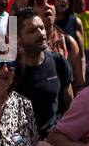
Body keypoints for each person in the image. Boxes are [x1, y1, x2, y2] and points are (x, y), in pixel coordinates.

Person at [12, 7, 73, 138]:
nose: (41, 34)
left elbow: (70, 107)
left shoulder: (58, 62)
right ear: (17, 38)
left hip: (53, 145)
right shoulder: (9, 69)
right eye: (32, 31)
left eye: (42, 28)